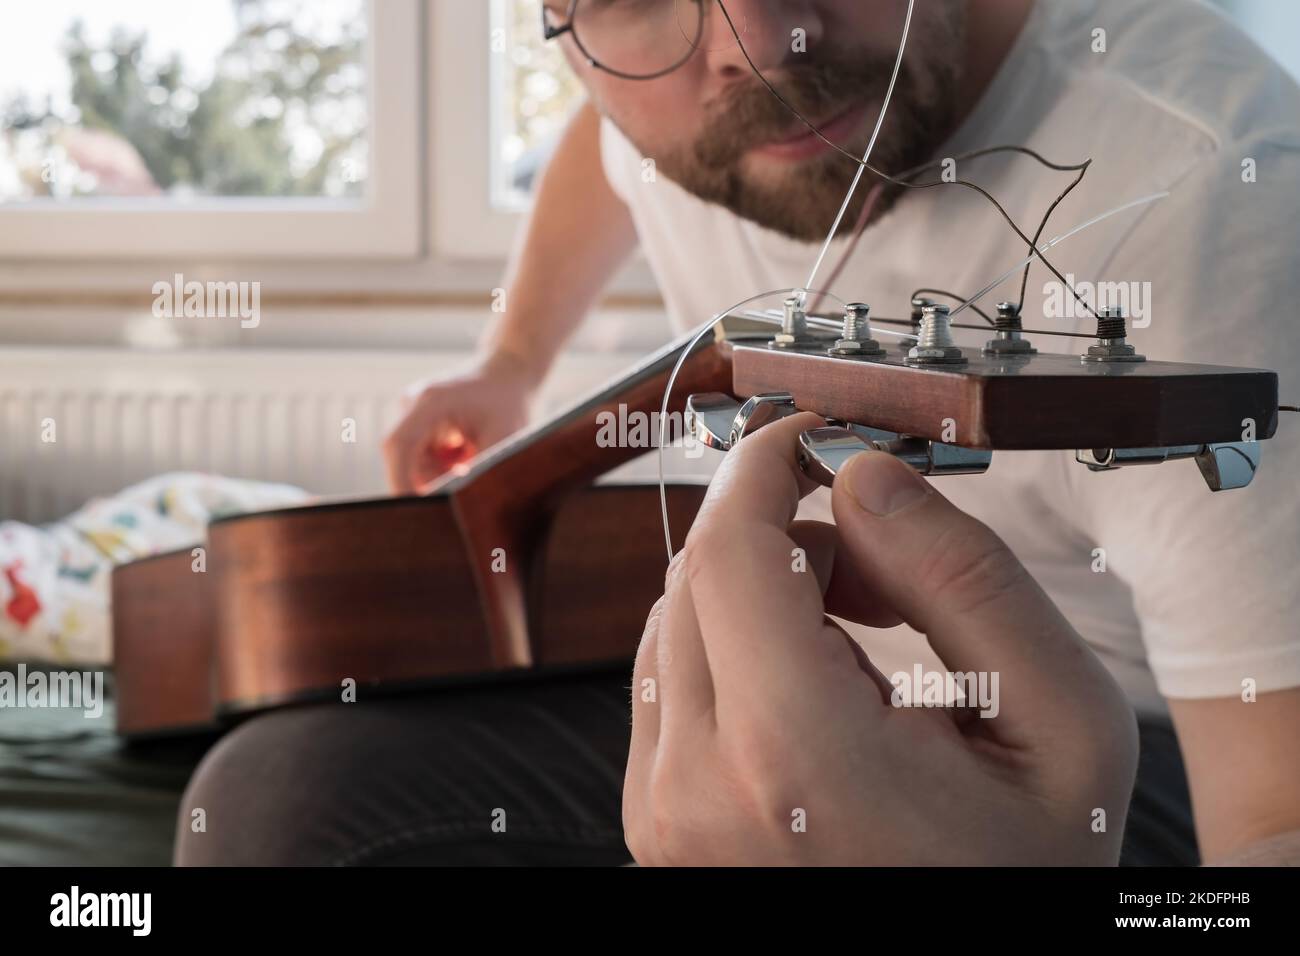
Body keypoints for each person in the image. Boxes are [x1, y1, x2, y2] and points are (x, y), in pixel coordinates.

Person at [175, 0, 1300, 866]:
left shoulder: (1217, 213)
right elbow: (605, 152)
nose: (761, 47)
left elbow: (1271, 826)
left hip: (1117, 768)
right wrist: (506, 364)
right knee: (276, 801)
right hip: (824, 677)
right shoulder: (677, 97)